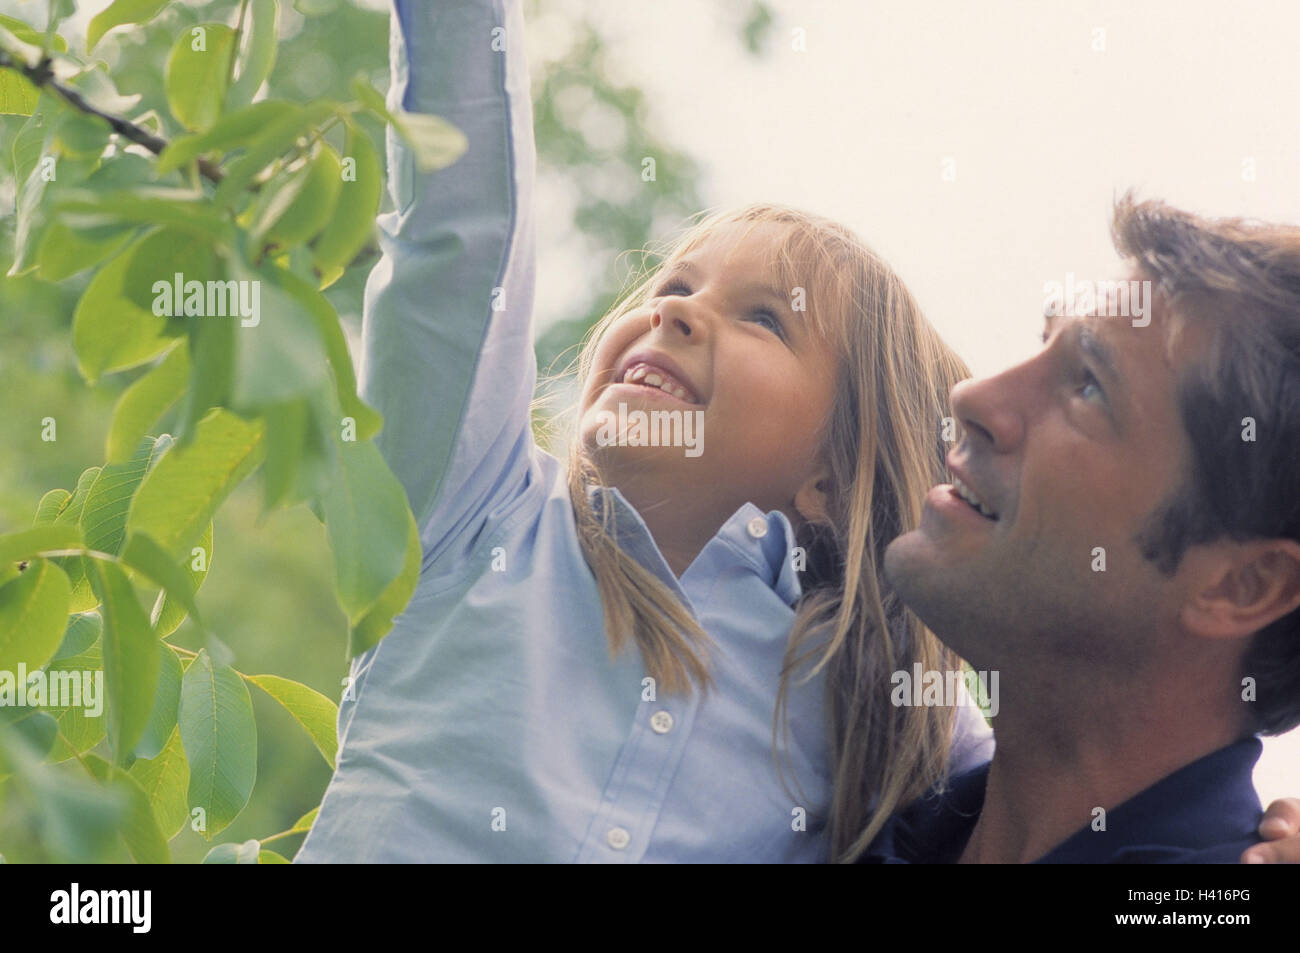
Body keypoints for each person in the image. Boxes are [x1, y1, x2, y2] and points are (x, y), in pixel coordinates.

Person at [294, 0, 992, 863]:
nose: (676, 311)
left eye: (765, 318)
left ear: (834, 478)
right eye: (676, 284)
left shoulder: (870, 697)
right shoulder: (477, 515)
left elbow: (1074, 768)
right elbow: (460, 229)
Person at [866, 196, 1300, 863]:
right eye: (1044, 342)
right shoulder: (847, 815)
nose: (972, 396)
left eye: (1089, 386)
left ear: (1242, 585)